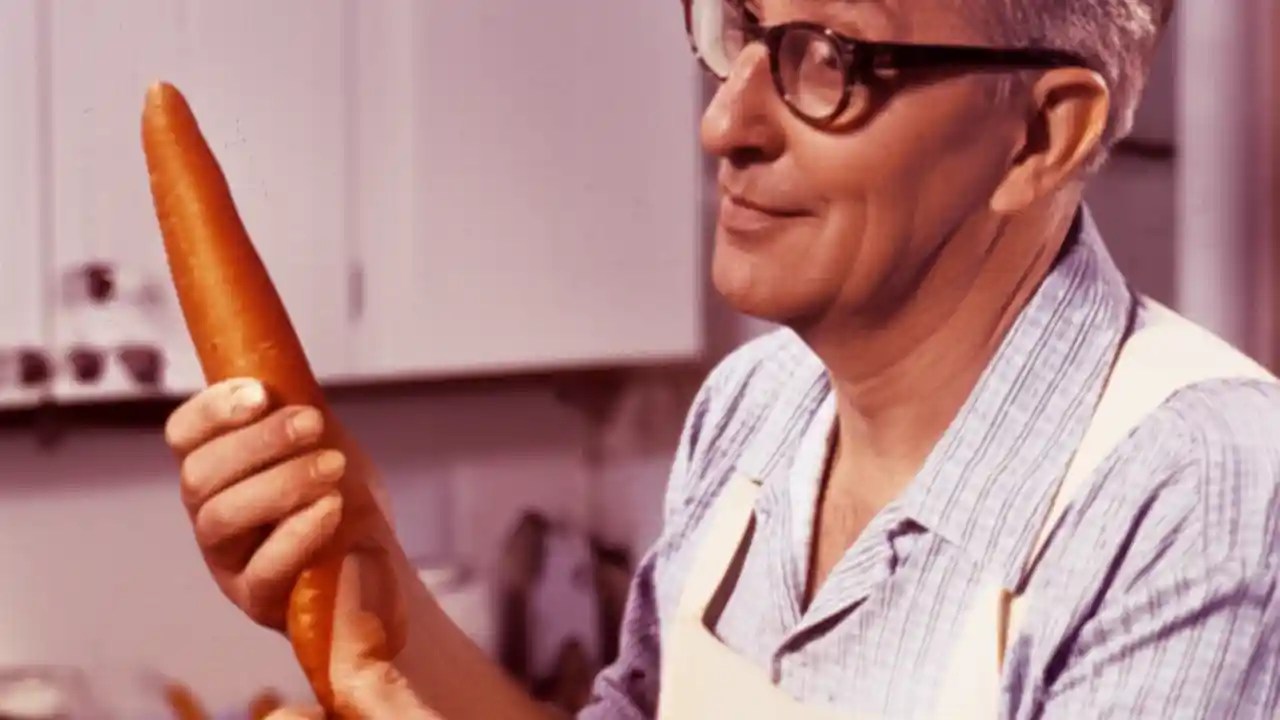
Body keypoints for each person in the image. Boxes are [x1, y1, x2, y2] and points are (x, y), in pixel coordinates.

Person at [165, 0, 1280, 717]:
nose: (724, 123)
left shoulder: (1205, 494)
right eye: (740, 29)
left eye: (827, 57)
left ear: (1041, 135)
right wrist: (382, 599)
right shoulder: (753, 408)